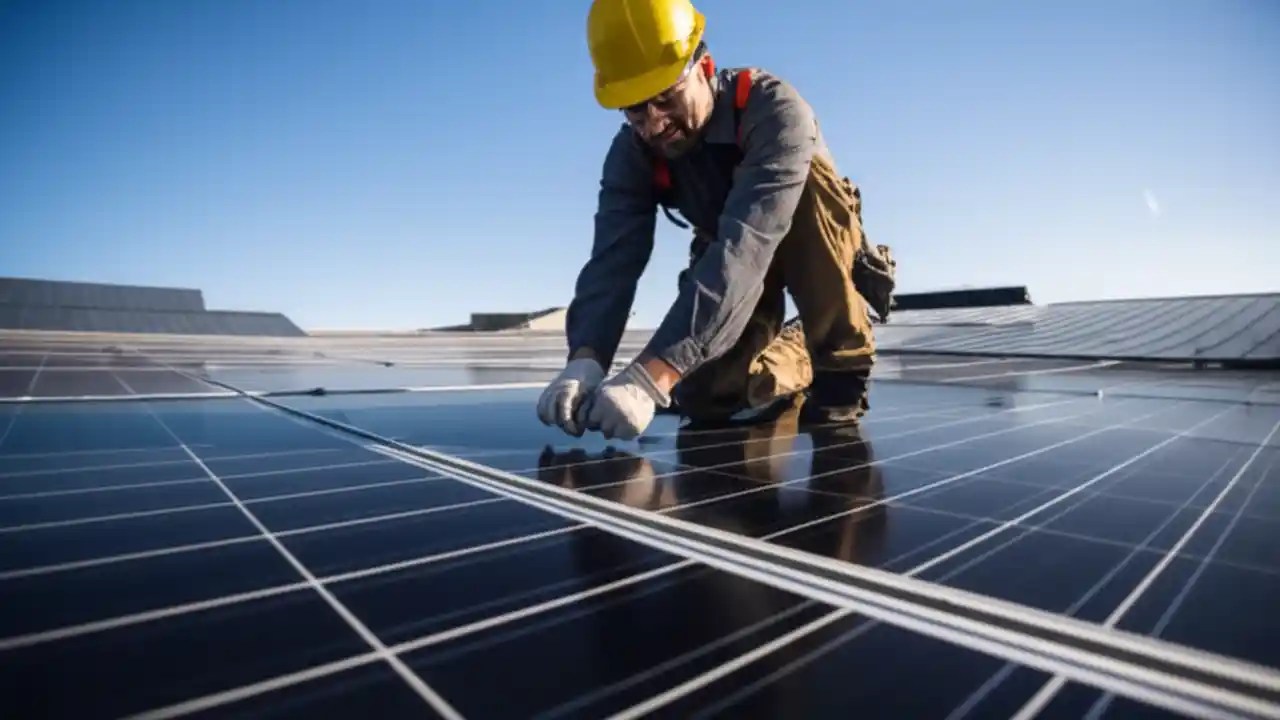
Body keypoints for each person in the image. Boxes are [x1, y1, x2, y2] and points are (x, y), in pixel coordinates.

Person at [537, 0, 896, 441]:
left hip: (806, 245)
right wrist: (586, 359)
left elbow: (746, 247)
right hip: (728, 260)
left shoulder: (774, 110)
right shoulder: (632, 153)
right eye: (634, 109)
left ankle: (840, 360)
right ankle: (793, 350)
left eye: (665, 98)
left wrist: (652, 376)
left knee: (810, 188)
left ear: (703, 66)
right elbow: (613, 260)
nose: (653, 124)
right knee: (706, 398)